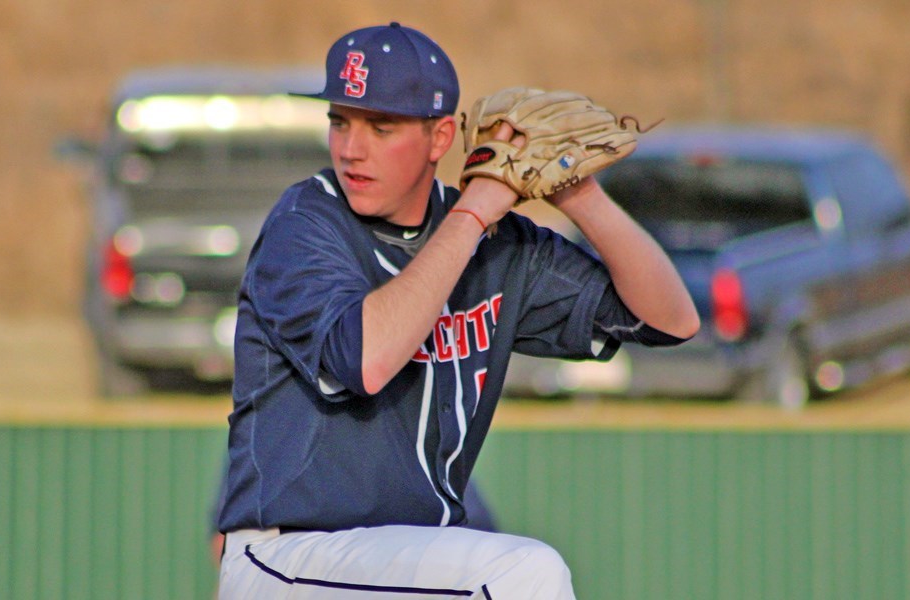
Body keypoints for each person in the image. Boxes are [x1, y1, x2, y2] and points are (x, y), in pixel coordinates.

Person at [216, 22, 699, 599]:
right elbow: (367, 358)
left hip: (405, 564)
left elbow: (671, 320)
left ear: (440, 137)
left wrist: (579, 193)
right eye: (340, 120)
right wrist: (475, 211)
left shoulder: (499, 248)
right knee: (523, 574)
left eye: (381, 125)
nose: (351, 147)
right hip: (288, 557)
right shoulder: (305, 224)